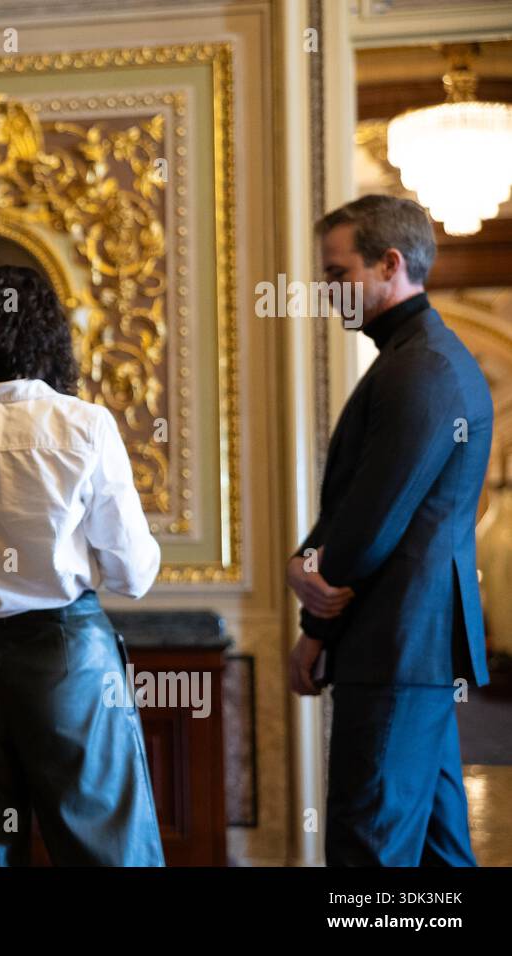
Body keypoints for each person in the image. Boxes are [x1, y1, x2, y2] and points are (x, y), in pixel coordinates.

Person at [0, 265, 164, 866]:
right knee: (106, 853)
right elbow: (134, 575)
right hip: (68, 660)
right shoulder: (82, 425)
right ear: (49, 339)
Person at [287, 194, 492, 867]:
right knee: (439, 855)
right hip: (409, 646)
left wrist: (313, 627)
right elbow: (359, 501)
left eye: (337, 274)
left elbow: (373, 518)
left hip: (395, 643)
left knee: (368, 851)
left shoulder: (421, 366)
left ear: (390, 264)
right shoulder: (414, 357)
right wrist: (303, 558)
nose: (327, 292)